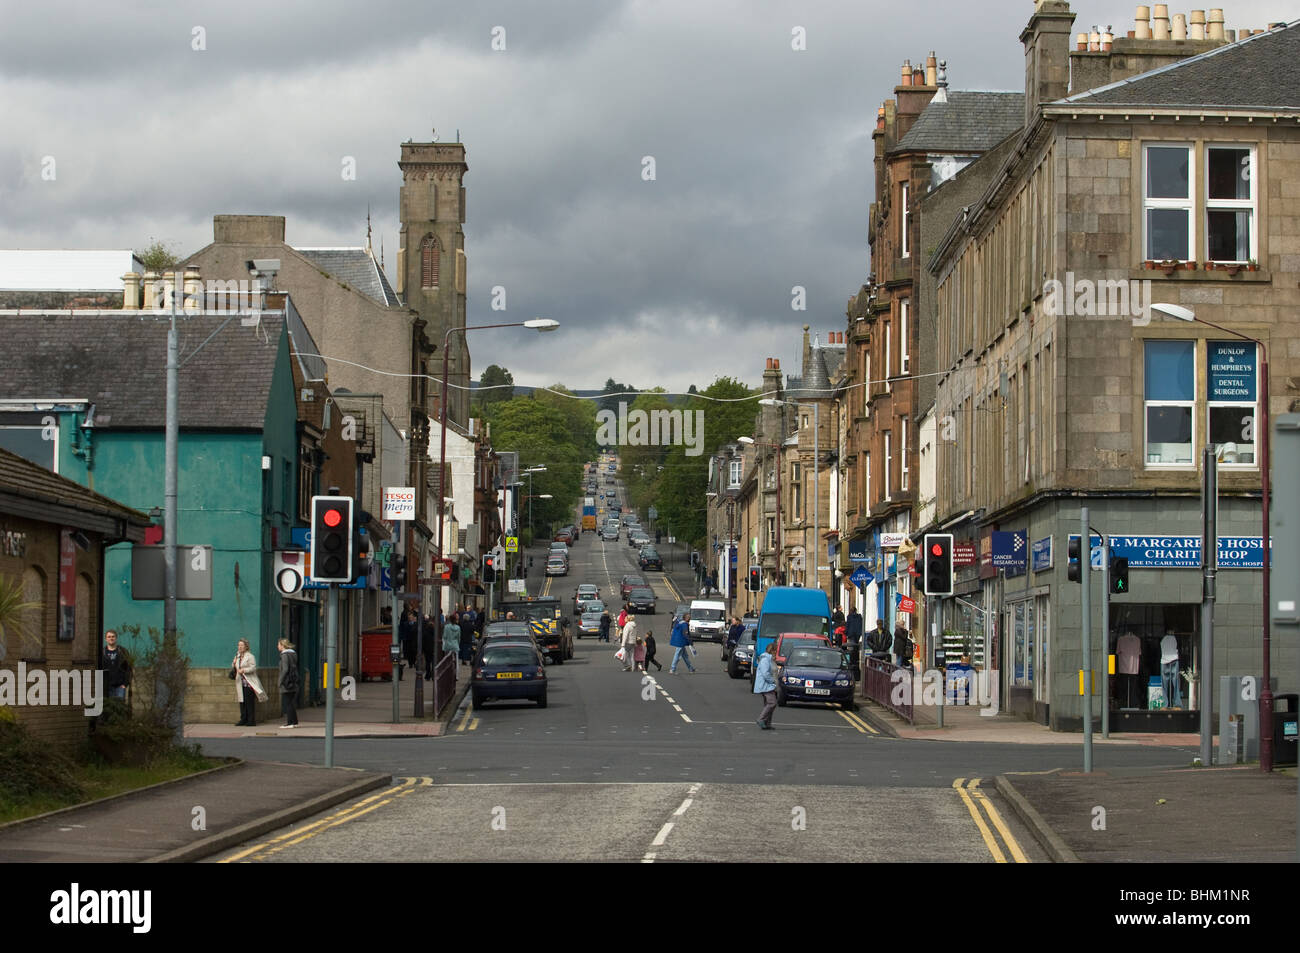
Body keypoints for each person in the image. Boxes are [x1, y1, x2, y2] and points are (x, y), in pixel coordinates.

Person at [233, 638, 268, 727]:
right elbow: (236, 667)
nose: (239, 647)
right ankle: (243, 719)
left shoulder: (250, 656)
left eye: (242, 645)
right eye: (239, 645)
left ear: (246, 646)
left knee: (249, 702)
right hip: (240, 682)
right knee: (242, 701)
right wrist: (233, 663)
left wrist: (244, 670)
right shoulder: (237, 656)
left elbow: (253, 668)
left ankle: (251, 720)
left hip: (249, 682)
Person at [101, 629, 131, 701]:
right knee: (109, 707)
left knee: (120, 707)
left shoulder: (123, 651)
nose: (111, 638)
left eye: (113, 636)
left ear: (116, 638)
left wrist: (125, 684)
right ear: (106, 639)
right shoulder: (102, 652)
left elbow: (129, 668)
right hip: (107, 686)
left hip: (120, 686)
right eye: (109, 637)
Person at [754, 642, 778, 730]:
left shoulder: (769, 659)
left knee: (768, 704)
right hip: (766, 685)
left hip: (768, 685)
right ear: (772, 650)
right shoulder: (765, 660)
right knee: (772, 703)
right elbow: (765, 673)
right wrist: (772, 681)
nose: (776, 652)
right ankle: (761, 719)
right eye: (776, 650)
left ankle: (767, 723)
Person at [277, 638, 299, 728]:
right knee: (291, 701)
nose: (277, 646)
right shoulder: (293, 654)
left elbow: (285, 669)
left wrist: (280, 680)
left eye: (278, 645)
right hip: (294, 680)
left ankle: (290, 723)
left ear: (282, 646)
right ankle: (294, 722)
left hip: (287, 682)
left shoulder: (284, 655)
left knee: (288, 702)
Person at [399, 609, 418, 679]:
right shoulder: (405, 624)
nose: (410, 618)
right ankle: (410, 663)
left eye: (411, 617)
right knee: (409, 651)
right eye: (409, 617)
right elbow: (403, 631)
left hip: (413, 640)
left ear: (413, 617)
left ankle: (413, 662)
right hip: (407, 640)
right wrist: (403, 638)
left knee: (413, 651)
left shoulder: (415, 624)